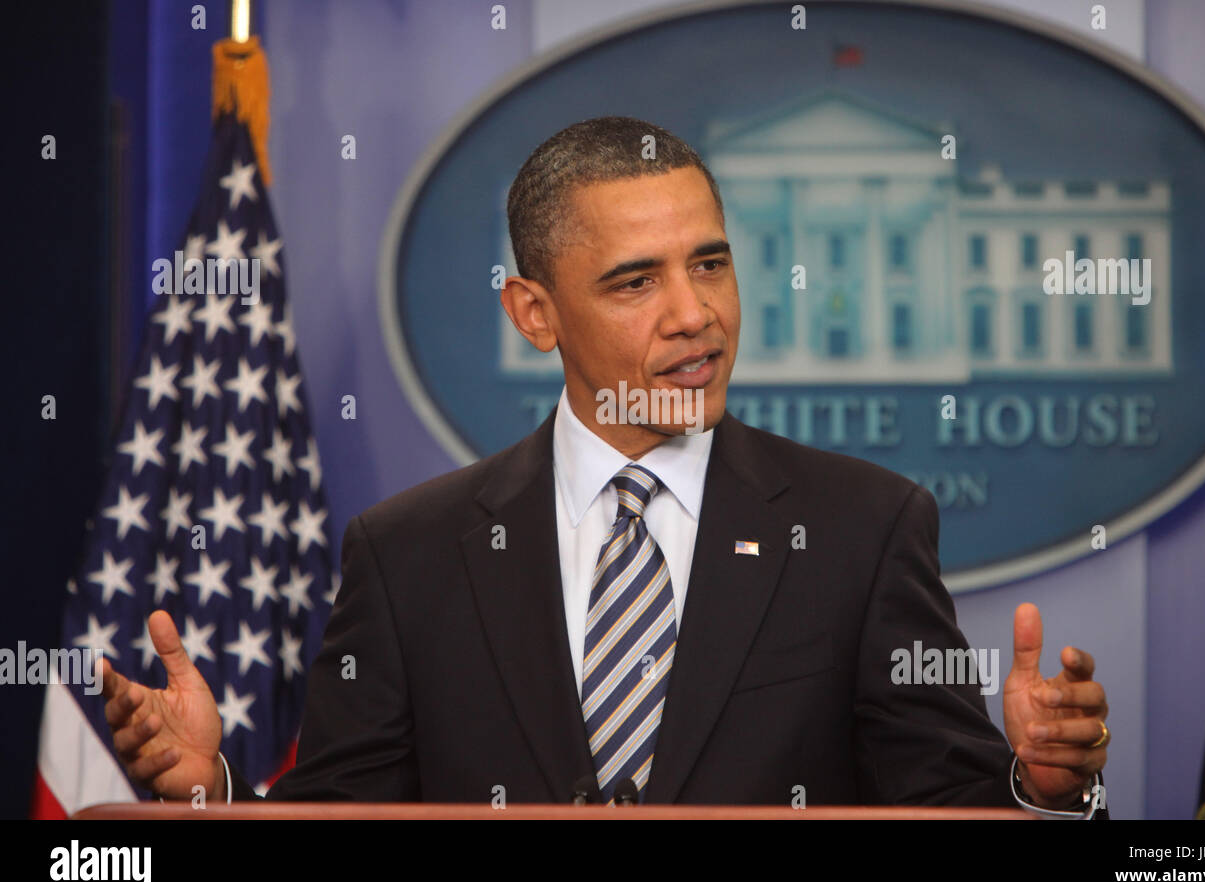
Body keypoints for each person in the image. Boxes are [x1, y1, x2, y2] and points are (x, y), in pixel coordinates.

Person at [100, 116, 1110, 814]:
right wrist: (214, 800)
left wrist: (1036, 785)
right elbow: (345, 822)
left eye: (708, 262)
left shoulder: (861, 527)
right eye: (636, 281)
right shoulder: (408, 557)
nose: (694, 313)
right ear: (534, 313)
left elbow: (944, 813)